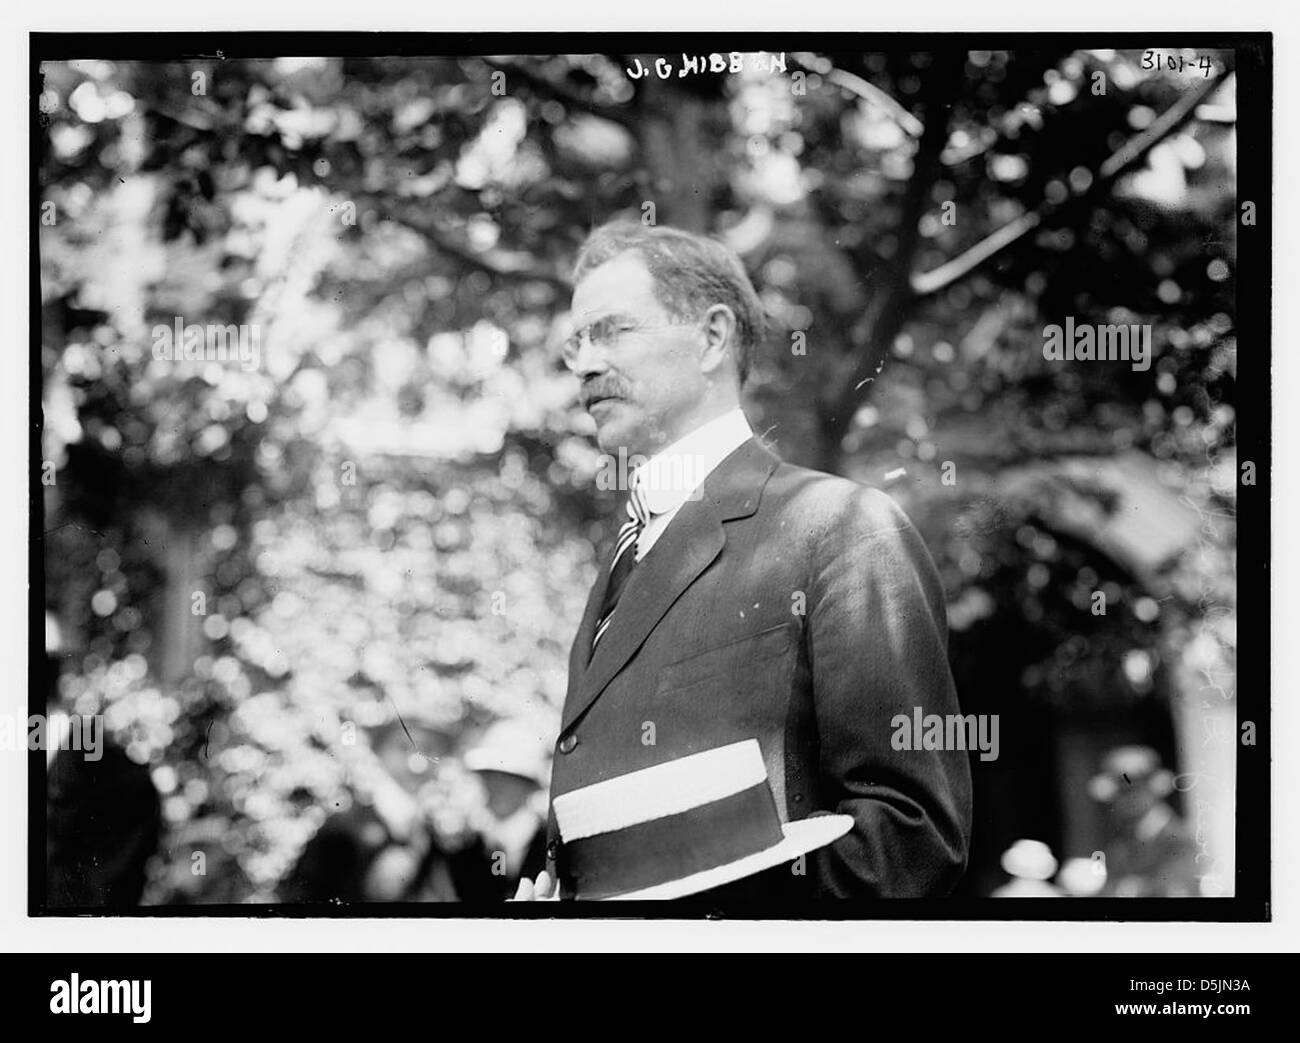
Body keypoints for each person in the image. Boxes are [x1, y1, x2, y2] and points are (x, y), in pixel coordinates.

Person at [516, 221, 972, 901]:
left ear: (711, 336)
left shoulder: (841, 527)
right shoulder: (620, 561)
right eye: (575, 342)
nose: (582, 364)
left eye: (612, 331)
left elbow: (909, 842)